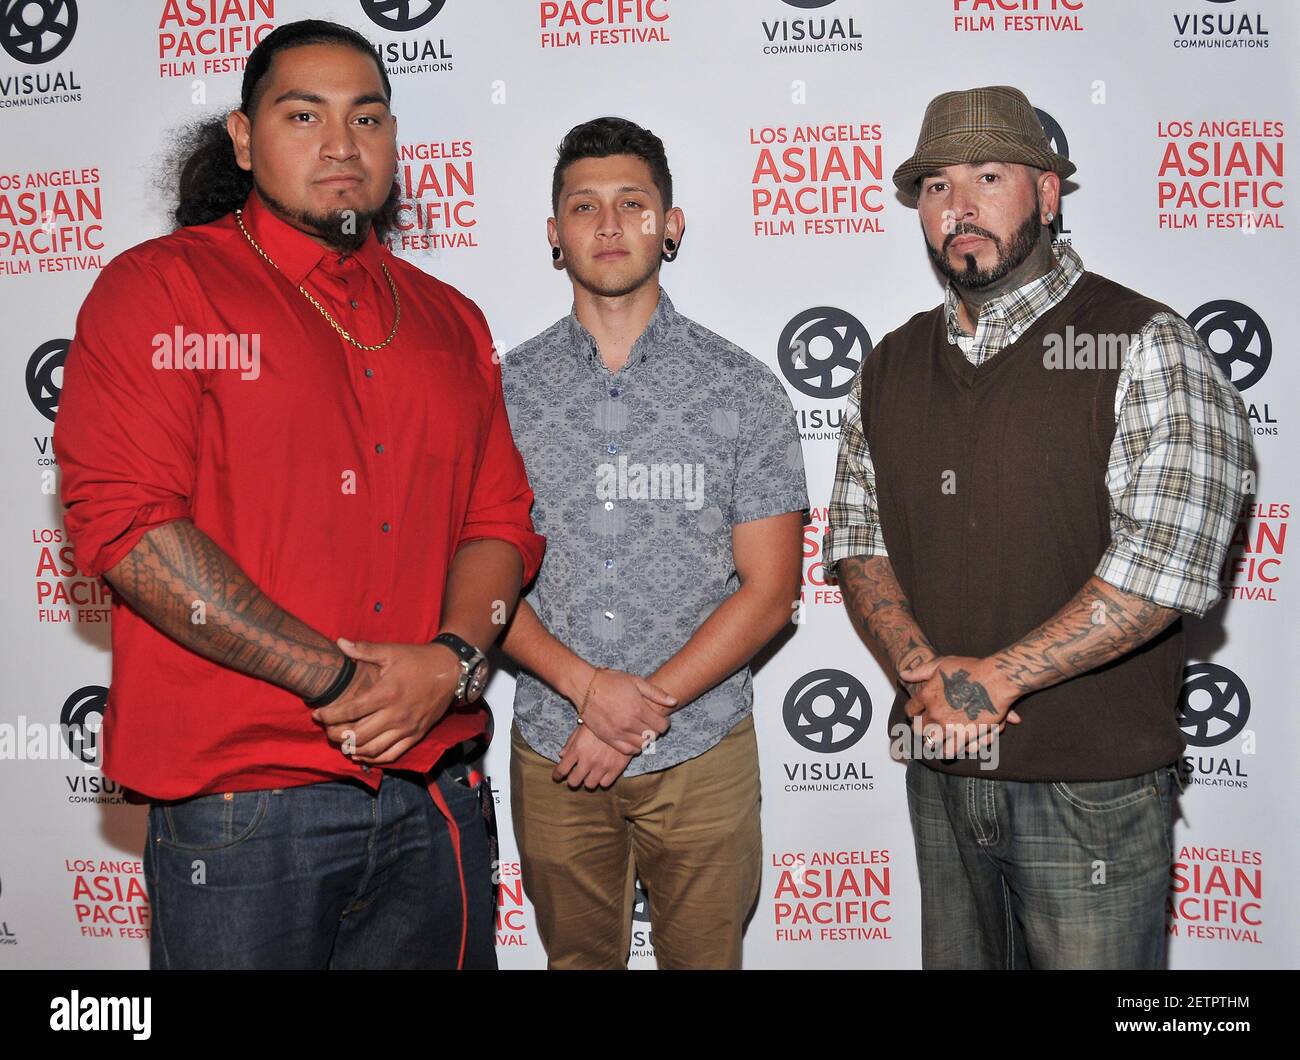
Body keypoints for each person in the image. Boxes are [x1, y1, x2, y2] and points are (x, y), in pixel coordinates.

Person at [53, 19, 544, 970]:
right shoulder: (163, 290)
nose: (339, 143)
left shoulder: (450, 318)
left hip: (433, 794)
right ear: (243, 139)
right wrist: (344, 681)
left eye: (366, 117)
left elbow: (502, 524)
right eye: (302, 114)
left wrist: (448, 663)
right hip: (247, 808)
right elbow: (128, 528)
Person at [823, 85, 1252, 970]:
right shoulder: (892, 360)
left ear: (1049, 193)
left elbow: (1163, 569)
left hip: (1089, 787)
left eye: (989, 176)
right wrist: (924, 676)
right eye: (936, 187)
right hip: (942, 772)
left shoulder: (1145, 342)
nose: (960, 208)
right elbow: (860, 544)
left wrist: (990, 683)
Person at [499, 117, 809, 970]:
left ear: (671, 226)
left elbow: (771, 589)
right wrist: (588, 690)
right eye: (584, 206)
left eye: (633, 204)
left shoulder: (744, 390)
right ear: (553, 234)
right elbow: (476, 576)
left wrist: (636, 710)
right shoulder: (499, 392)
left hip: (700, 747)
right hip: (553, 744)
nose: (608, 226)